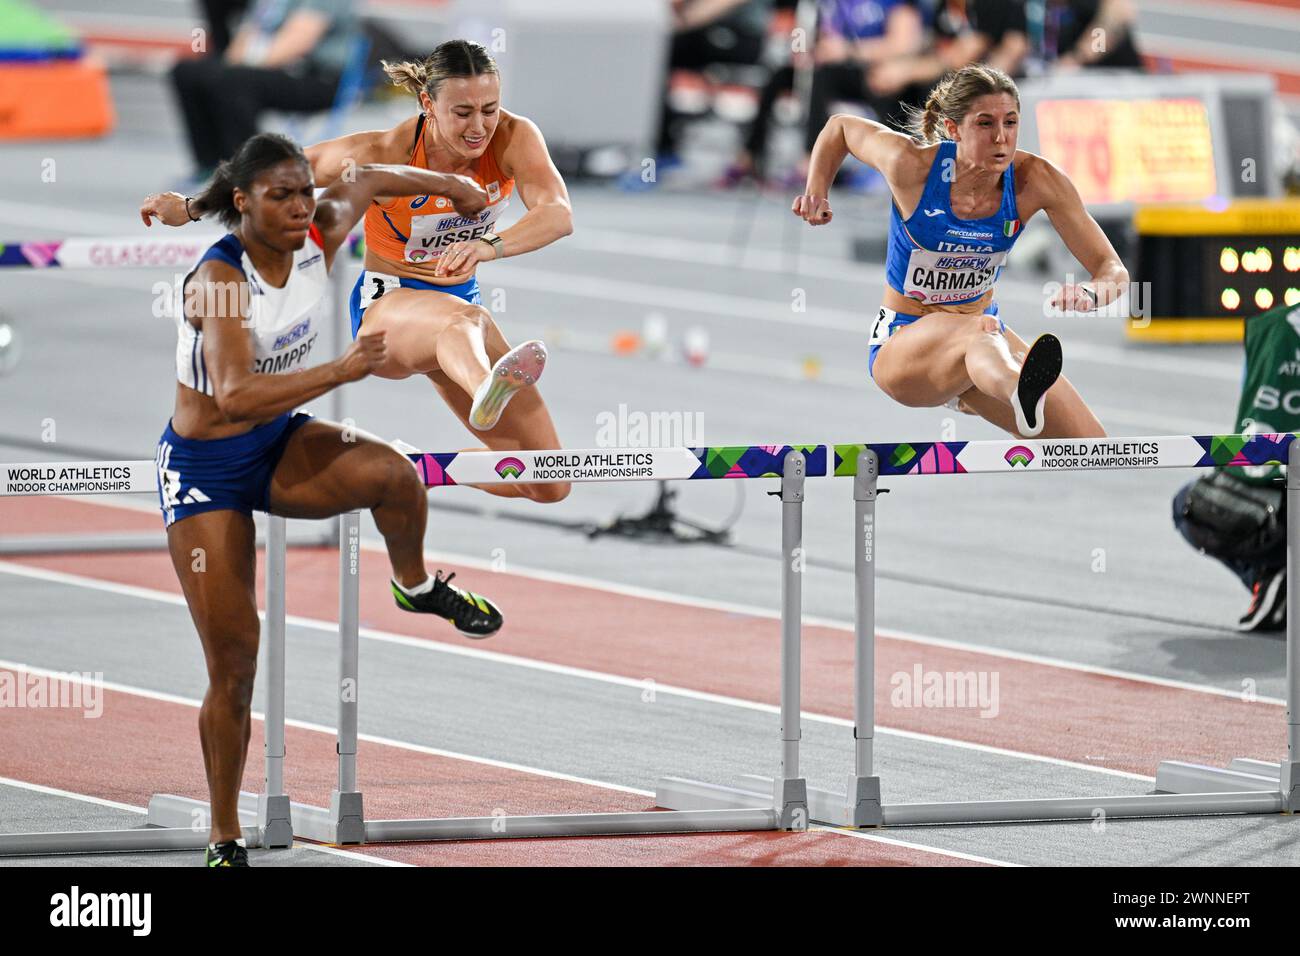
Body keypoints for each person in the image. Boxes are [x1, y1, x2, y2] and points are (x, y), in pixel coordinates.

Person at [140, 132, 505, 867]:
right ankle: (223, 835)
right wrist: (341, 370)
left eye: (305, 193)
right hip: (207, 468)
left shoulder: (317, 232)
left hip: (276, 444)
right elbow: (237, 394)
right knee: (235, 665)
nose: (301, 208)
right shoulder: (219, 281)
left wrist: (460, 192)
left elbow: (369, 180)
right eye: (282, 196)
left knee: (394, 476)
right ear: (243, 203)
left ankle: (416, 586)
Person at [152, 39, 573, 504]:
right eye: (463, 112)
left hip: (458, 311)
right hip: (388, 310)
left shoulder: (514, 136)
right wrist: (191, 207)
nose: (479, 128)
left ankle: (414, 467)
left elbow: (557, 213)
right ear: (428, 103)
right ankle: (486, 388)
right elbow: (282, 168)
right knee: (463, 320)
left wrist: (488, 245)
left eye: (489, 109)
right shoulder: (384, 150)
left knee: (548, 481)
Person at [791, 64, 1120, 438]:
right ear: (952, 129)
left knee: (1094, 447)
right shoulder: (912, 164)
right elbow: (840, 127)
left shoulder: (1037, 180)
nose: (1001, 138)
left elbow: (1112, 269)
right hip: (904, 347)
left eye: (1010, 123)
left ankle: (1000, 389)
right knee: (980, 330)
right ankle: (1018, 389)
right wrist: (816, 191)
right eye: (985, 124)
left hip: (985, 346)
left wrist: (1093, 292)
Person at [1172, 303, 1298, 632]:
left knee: (1186, 503)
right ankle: (1273, 573)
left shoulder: (1265, 328)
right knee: (1185, 504)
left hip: (1258, 495)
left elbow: (1248, 415)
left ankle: (1269, 572)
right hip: (1274, 501)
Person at [170, 0, 359, 179]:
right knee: (188, 71)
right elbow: (247, 35)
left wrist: (237, 71)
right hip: (271, 68)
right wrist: (223, 70)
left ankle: (250, 171)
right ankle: (211, 166)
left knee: (234, 81)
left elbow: (299, 42)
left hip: (317, 78)